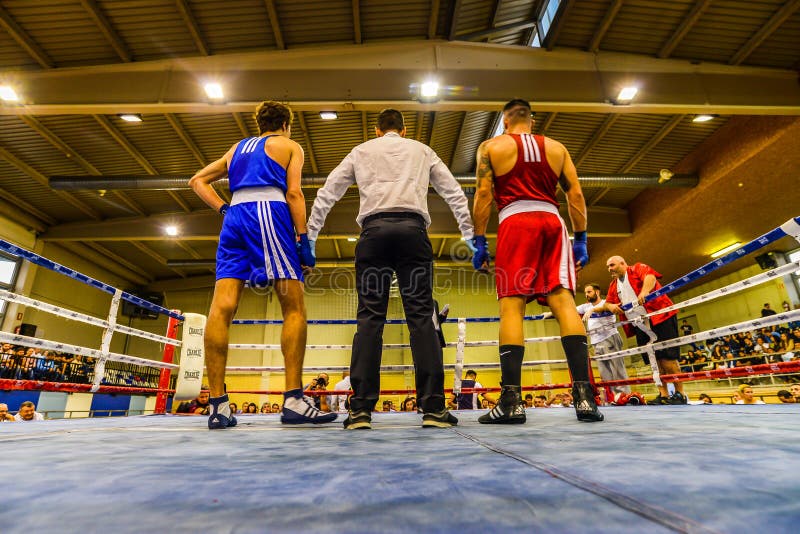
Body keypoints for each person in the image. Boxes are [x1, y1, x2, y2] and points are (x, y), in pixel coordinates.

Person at [307, 109, 475, 430]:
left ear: (376, 128)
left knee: (370, 318)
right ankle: (433, 409)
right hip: (413, 233)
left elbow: (329, 191)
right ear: (404, 128)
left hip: (373, 234)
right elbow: (453, 192)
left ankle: (360, 411)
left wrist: (311, 236)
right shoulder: (422, 150)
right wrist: (469, 234)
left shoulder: (361, 151)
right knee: (422, 318)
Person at [189, 100, 337, 429]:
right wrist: (304, 239)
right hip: (268, 212)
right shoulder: (288, 145)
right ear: (286, 124)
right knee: (293, 304)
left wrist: (224, 210)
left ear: (259, 123)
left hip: (235, 219)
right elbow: (295, 194)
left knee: (222, 306)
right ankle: (295, 400)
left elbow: (197, 180)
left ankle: (218, 406)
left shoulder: (237, 148)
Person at [471, 98, 603, 424]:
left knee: (512, 306)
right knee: (564, 303)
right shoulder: (557, 148)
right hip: (552, 222)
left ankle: (511, 401)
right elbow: (575, 195)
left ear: (504, 121)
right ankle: (585, 398)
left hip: (515, 223)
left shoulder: (492, 146)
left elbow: (484, 194)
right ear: (533, 120)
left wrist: (478, 241)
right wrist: (581, 239)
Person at [600, 256, 687, 405]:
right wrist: (611, 307)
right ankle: (664, 394)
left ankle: (680, 394)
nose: (610, 269)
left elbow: (650, 277)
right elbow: (607, 302)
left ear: (622, 263)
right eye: (608, 267)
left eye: (612, 265)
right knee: (654, 361)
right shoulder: (613, 285)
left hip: (660, 317)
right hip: (640, 324)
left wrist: (645, 292)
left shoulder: (637, 268)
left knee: (668, 359)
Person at [576, 283, 629, 398]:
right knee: (604, 374)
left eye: (589, 292)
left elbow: (606, 307)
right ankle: (612, 398)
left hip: (610, 337)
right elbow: (570, 311)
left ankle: (625, 397)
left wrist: (593, 310)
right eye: (585, 293)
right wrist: (550, 313)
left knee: (618, 370)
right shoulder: (586, 306)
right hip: (595, 342)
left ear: (597, 292)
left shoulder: (606, 302)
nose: (586, 295)